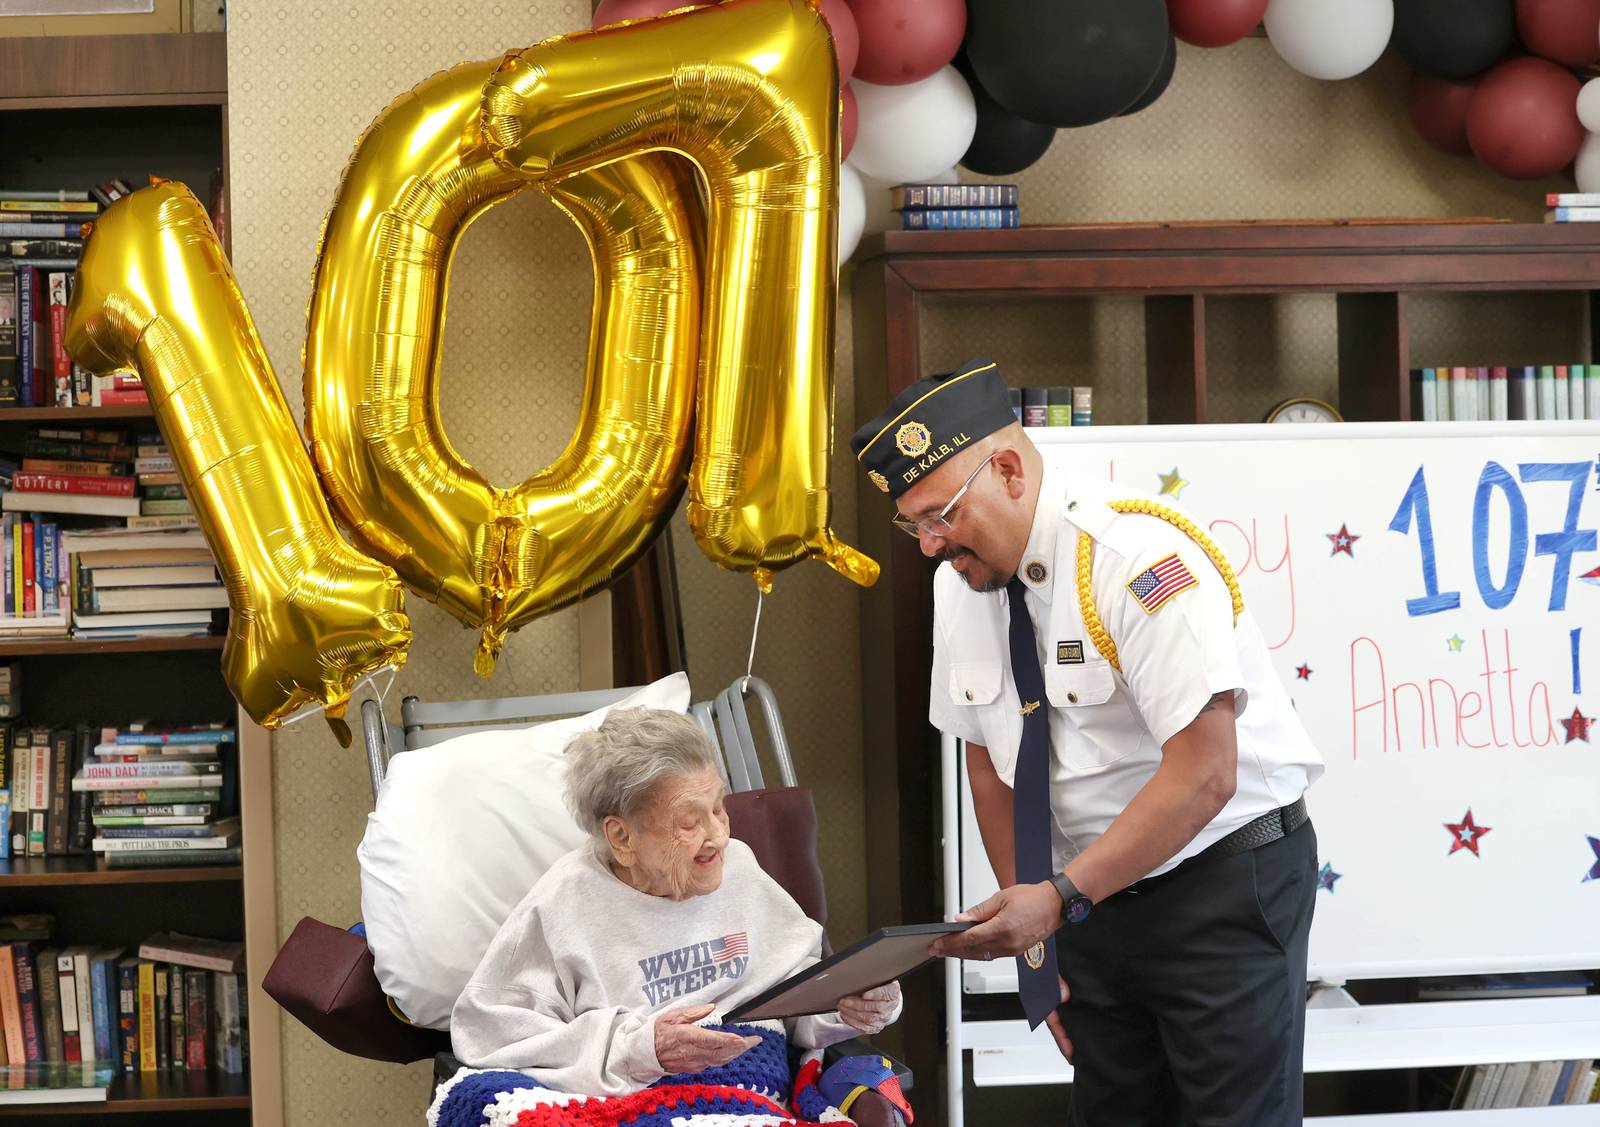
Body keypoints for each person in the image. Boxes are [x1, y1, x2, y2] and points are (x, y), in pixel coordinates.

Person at [849, 357, 1324, 1127]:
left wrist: (1058, 899)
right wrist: (1038, 934)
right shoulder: (959, 587)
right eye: (914, 524)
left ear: (1007, 468)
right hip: (1088, 903)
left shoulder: (1136, 559)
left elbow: (1207, 773)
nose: (931, 544)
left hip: (1221, 886)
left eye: (942, 514)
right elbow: (988, 758)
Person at [450, 707, 902, 1095]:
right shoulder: (563, 904)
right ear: (621, 837)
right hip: (637, 1104)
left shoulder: (739, 867)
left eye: (720, 808)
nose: (720, 836)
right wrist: (641, 1048)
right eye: (689, 821)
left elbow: (794, 999)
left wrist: (851, 1003)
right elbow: (488, 1034)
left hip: (758, 1092)